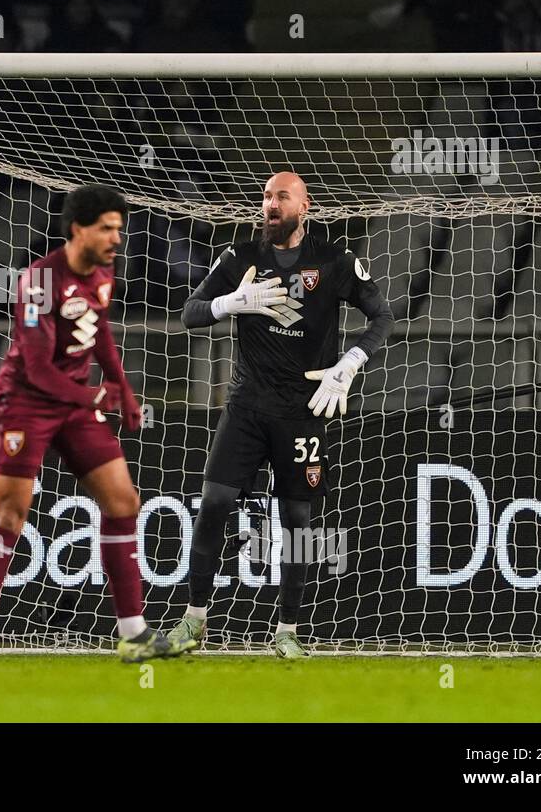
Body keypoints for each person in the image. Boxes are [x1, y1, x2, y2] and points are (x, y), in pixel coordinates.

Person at [165, 171, 393, 659]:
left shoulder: (333, 260)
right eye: (267, 196)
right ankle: (194, 620)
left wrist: (349, 364)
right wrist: (232, 302)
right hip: (247, 405)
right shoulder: (241, 257)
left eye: (282, 197)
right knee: (214, 504)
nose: (271, 204)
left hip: (303, 411)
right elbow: (190, 313)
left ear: (304, 206)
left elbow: (383, 317)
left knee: (297, 519)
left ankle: (287, 630)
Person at [0, 184, 172, 665]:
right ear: (78, 229)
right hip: (26, 403)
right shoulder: (39, 280)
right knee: (10, 514)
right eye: (107, 229)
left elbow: (100, 331)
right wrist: (94, 395)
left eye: (119, 228)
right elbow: (36, 368)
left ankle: (133, 635)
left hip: (73, 402)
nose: (117, 238)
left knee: (123, 502)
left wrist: (122, 388)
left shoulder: (105, 272)